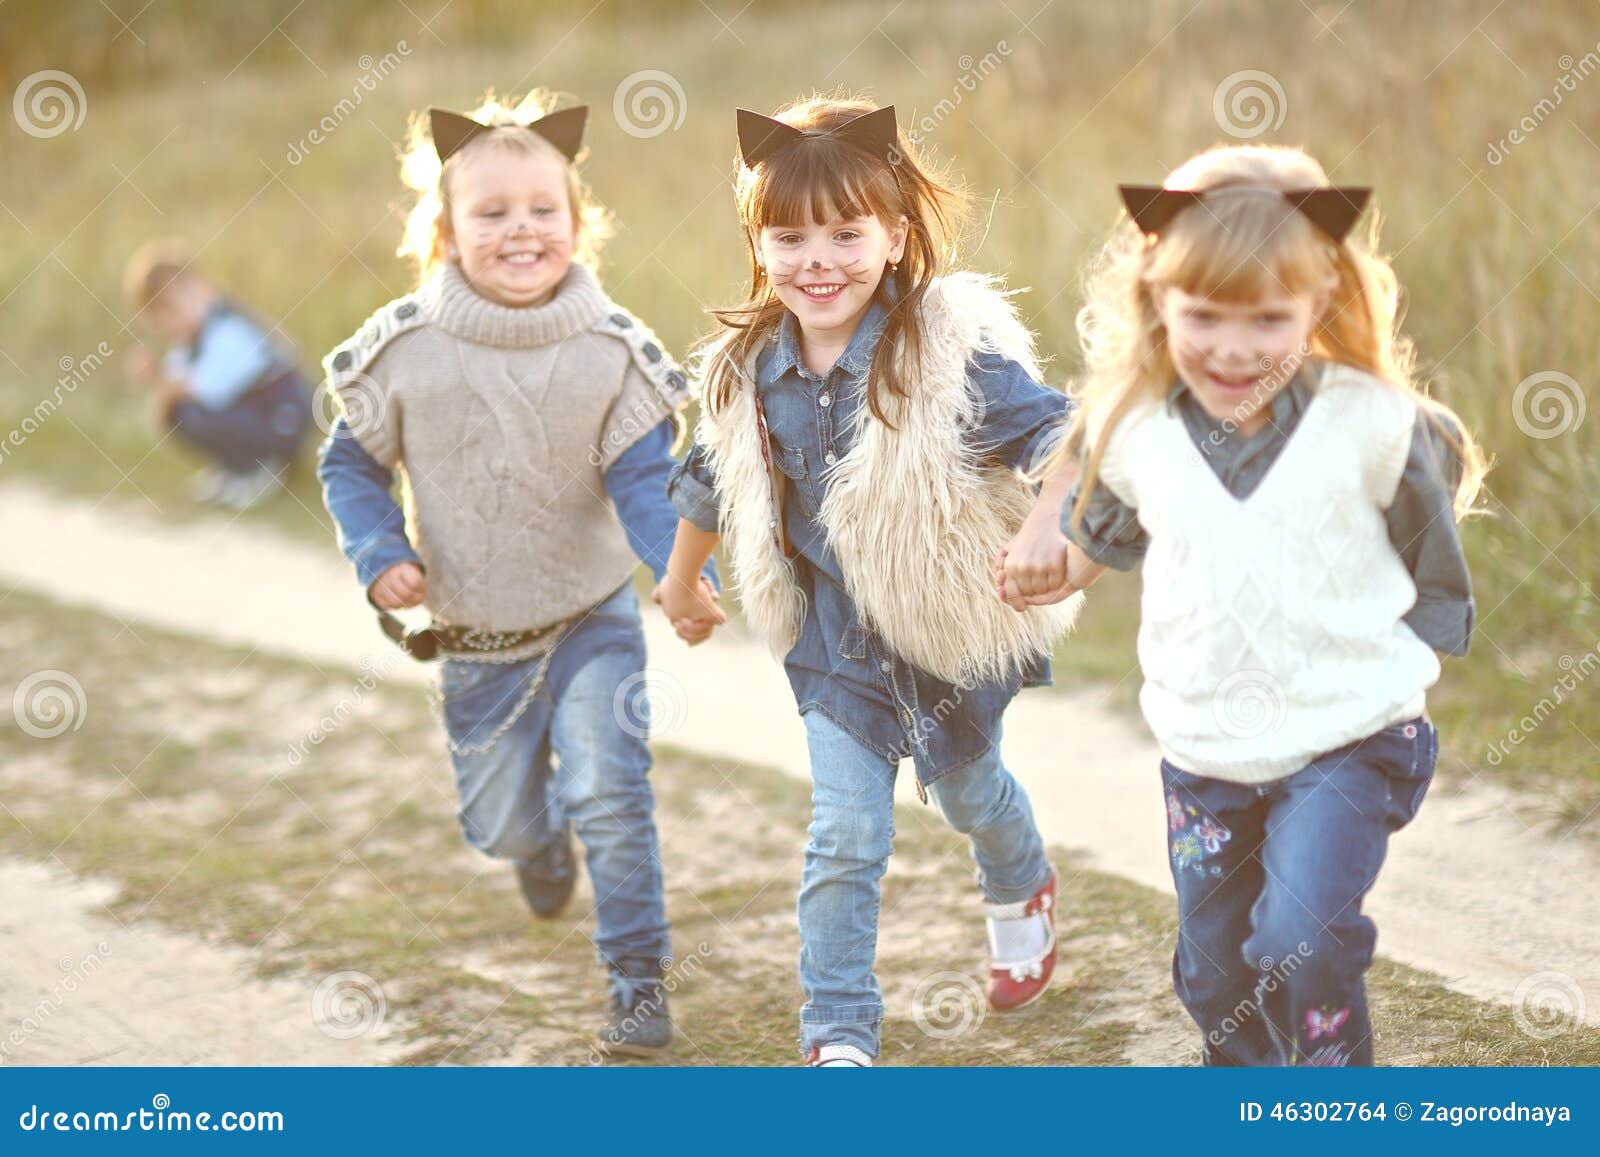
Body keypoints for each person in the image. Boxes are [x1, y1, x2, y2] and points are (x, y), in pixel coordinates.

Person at [1002, 144, 1488, 1066]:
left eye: (1268, 318)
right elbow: (1099, 541)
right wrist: (1047, 567)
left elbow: (1431, 531)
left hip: (1348, 730)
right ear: (1158, 305)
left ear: (1321, 305)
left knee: (1296, 939)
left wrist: (1421, 640)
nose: (1233, 347)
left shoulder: (1371, 422)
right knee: (1218, 971)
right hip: (1206, 749)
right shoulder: (1136, 430)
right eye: (1204, 317)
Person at [659, 96, 1084, 1067]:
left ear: (893, 237)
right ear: (757, 243)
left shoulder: (943, 356)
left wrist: (1045, 521)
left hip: (942, 631)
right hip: (832, 644)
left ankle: (1021, 886)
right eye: (789, 235)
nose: (818, 259)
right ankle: (837, 1031)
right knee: (846, 832)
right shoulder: (744, 366)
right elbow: (707, 472)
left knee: (972, 793)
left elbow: (1065, 432)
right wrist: (683, 579)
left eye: (845, 233)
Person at [316, 91, 717, 1057]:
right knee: (496, 825)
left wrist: (674, 569)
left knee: (614, 794)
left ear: (578, 225)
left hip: (590, 618)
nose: (521, 229)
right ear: (447, 233)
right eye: (491, 212)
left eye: (544, 208)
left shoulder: (609, 350)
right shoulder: (405, 346)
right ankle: (538, 838)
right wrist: (382, 555)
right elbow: (349, 463)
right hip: (479, 637)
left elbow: (643, 481)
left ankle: (634, 982)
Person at [123, 241, 312, 508]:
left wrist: (166, 385)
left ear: (202, 287)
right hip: (253, 415)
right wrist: (159, 378)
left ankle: (262, 469)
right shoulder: (191, 341)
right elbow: (178, 381)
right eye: (163, 314)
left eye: (179, 303)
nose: (174, 318)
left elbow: (211, 390)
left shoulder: (228, 329)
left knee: (197, 412)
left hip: (282, 420)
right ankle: (234, 468)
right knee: (181, 414)